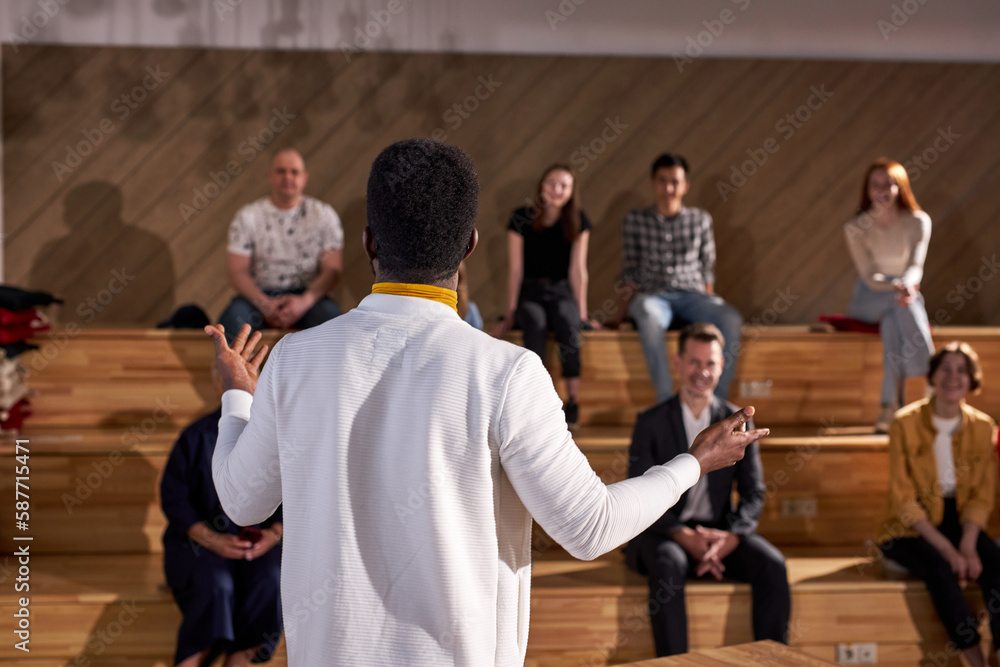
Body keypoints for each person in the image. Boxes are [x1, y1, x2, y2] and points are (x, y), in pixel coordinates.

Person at [205, 138, 767, 667]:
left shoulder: (294, 359)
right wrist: (694, 462)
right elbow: (590, 527)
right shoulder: (507, 371)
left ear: (369, 242)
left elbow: (241, 503)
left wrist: (238, 397)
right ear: (470, 244)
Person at [625, 322, 789, 656]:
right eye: (694, 362)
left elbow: (754, 493)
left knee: (773, 564)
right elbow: (638, 491)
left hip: (720, 533)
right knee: (668, 564)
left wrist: (732, 537)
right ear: (677, 363)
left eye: (710, 363)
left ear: (721, 365)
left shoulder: (736, 421)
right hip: (663, 533)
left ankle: (773, 661)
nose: (702, 372)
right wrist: (682, 535)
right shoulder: (650, 422)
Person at [876, 342, 1000, 667]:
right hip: (909, 527)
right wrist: (949, 550)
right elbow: (904, 498)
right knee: (941, 570)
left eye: (961, 370)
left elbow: (982, 495)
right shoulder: (904, 423)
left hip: (960, 521)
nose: (952, 377)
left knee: (996, 567)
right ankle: (975, 659)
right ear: (932, 375)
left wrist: (968, 546)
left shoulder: (983, 426)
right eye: (945, 369)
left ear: (971, 379)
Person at [160, 369, 283, 667]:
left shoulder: (279, 435)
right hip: (199, 543)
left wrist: (274, 534)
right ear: (218, 383)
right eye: (228, 376)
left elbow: (295, 495)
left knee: (271, 579)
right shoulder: (195, 436)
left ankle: (239, 660)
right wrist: (211, 538)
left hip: (259, 545)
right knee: (217, 585)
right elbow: (174, 498)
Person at [619, 153, 743, 403]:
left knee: (731, 318)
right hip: (653, 296)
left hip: (693, 296)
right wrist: (622, 315)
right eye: (662, 181)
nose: (668, 188)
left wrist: (710, 305)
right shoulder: (635, 220)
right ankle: (666, 401)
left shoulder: (700, 220)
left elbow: (707, 268)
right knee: (648, 314)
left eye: (674, 182)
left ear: (685, 186)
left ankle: (717, 403)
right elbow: (630, 271)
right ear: (653, 183)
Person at [492, 165, 596, 426]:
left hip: (560, 290)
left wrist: (582, 314)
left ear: (571, 192)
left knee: (568, 322)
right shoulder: (521, 218)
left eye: (564, 185)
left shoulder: (578, 220)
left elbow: (578, 271)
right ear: (541, 186)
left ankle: (573, 400)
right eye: (551, 183)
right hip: (530, 291)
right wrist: (510, 313)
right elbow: (515, 270)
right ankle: (535, 400)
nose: (556, 190)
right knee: (535, 323)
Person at [844, 158, 934, 432]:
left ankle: (889, 408)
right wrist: (899, 286)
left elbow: (916, 266)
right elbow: (870, 275)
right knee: (904, 305)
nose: (882, 190)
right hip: (870, 297)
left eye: (889, 184)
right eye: (876, 184)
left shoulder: (919, 221)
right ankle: (933, 378)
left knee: (893, 323)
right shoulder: (855, 228)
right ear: (867, 189)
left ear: (900, 187)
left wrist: (906, 284)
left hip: (903, 295)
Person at [217, 148, 344, 342]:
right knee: (231, 323)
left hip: (308, 296)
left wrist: (303, 302)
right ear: (270, 175)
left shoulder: (324, 215)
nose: (287, 177)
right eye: (281, 171)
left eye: (294, 172)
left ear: (304, 178)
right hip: (257, 296)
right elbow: (237, 271)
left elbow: (332, 270)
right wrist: (264, 304)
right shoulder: (248, 216)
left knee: (334, 322)